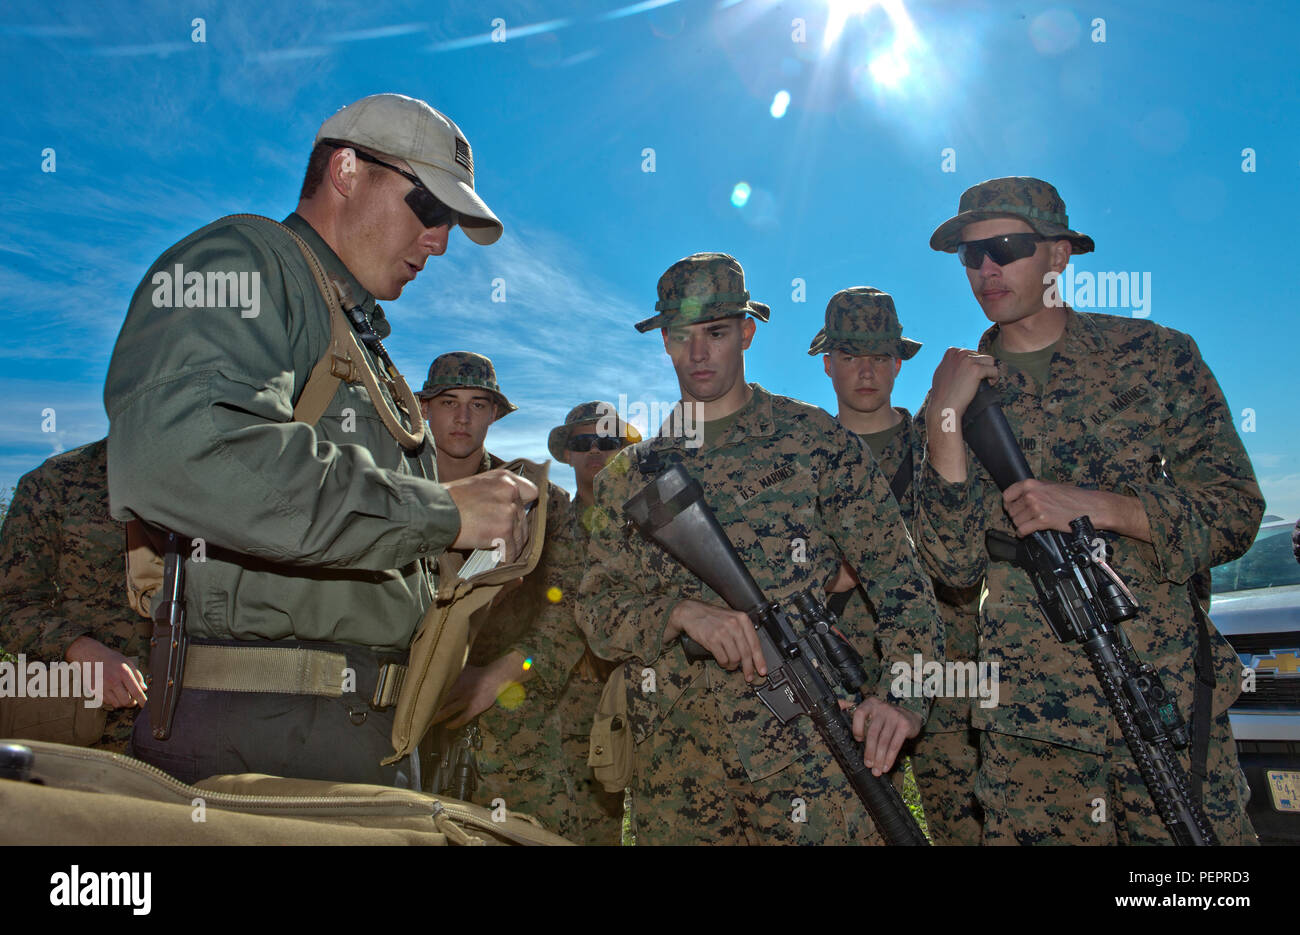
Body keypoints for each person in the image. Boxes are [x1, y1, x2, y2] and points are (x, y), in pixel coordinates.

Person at [103, 93, 536, 786]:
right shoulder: (242, 264)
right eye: (428, 208)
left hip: (362, 739)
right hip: (258, 745)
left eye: (450, 223)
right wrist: (443, 514)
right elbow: (187, 453)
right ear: (345, 169)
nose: (440, 241)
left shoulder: (361, 340)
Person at [914, 176, 1261, 844]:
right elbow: (953, 568)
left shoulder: (1154, 356)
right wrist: (944, 426)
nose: (987, 267)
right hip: (1033, 727)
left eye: (1007, 246)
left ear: (1059, 254)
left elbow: (1233, 510)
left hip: (1159, 689)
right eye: (970, 254)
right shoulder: (954, 388)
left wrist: (1101, 507)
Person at [579, 253, 942, 845]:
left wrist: (902, 699)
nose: (699, 354)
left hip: (813, 757)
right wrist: (680, 614)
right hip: (679, 771)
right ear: (665, 343)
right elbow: (596, 612)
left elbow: (903, 585)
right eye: (683, 336)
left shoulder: (817, 444)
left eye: (716, 333)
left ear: (747, 332)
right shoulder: (629, 477)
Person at [811, 288, 982, 845]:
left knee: (967, 830)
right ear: (828, 361)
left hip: (942, 677)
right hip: (839, 684)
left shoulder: (935, 444)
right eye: (851, 355)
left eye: (880, 356)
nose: (867, 371)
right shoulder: (798, 461)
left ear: (899, 361)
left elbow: (962, 557)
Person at [463, 401, 637, 844]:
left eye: (608, 442)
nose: (596, 451)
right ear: (569, 454)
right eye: (583, 443)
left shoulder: (649, 532)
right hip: (538, 717)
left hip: (616, 714)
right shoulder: (543, 521)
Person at [0, 439, 150, 752]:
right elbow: (9, 604)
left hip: (198, 728)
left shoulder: (222, 483)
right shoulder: (55, 481)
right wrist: (79, 648)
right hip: (87, 735)